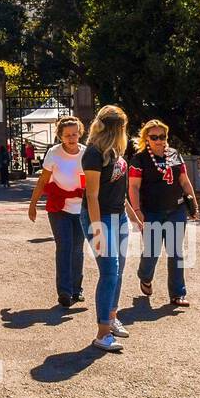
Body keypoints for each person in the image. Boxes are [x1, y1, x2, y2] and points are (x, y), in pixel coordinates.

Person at [82, 105, 135, 352]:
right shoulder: (93, 153)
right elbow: (92, 196)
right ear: (117, 128)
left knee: (119, 270)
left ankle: (111, 317)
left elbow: (118, 190)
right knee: (109, 271)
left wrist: (133, 216)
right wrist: (97, 230)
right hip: (99, 218)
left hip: (119, 216)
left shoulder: (116, 152)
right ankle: (102, 333)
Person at [129, 120, 197, 308]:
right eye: (154, 137)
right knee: (152, 252)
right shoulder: (139, 159)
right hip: (151, 212)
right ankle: (145, 276)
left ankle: (177, 293)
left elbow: (184, 181)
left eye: (162, 136)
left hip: (176, 210)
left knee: (176, 252)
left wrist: (193, 203)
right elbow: (133, 187)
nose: (159, 140)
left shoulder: (174, 154)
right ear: (146, 139)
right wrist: (136, 211)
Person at [28, 116, 87, 309]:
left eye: (74, 134)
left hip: (81, 209)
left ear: (80, 133)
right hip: (59, 207)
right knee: (64, 247)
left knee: (77, 250)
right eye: (67, 135)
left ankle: (77, 289)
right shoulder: (53, 154)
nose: (71, 138)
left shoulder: (86, 154)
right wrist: (33, 204)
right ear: (60, 136)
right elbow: (43, 181)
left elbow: (94, 183)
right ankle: (64, 292)